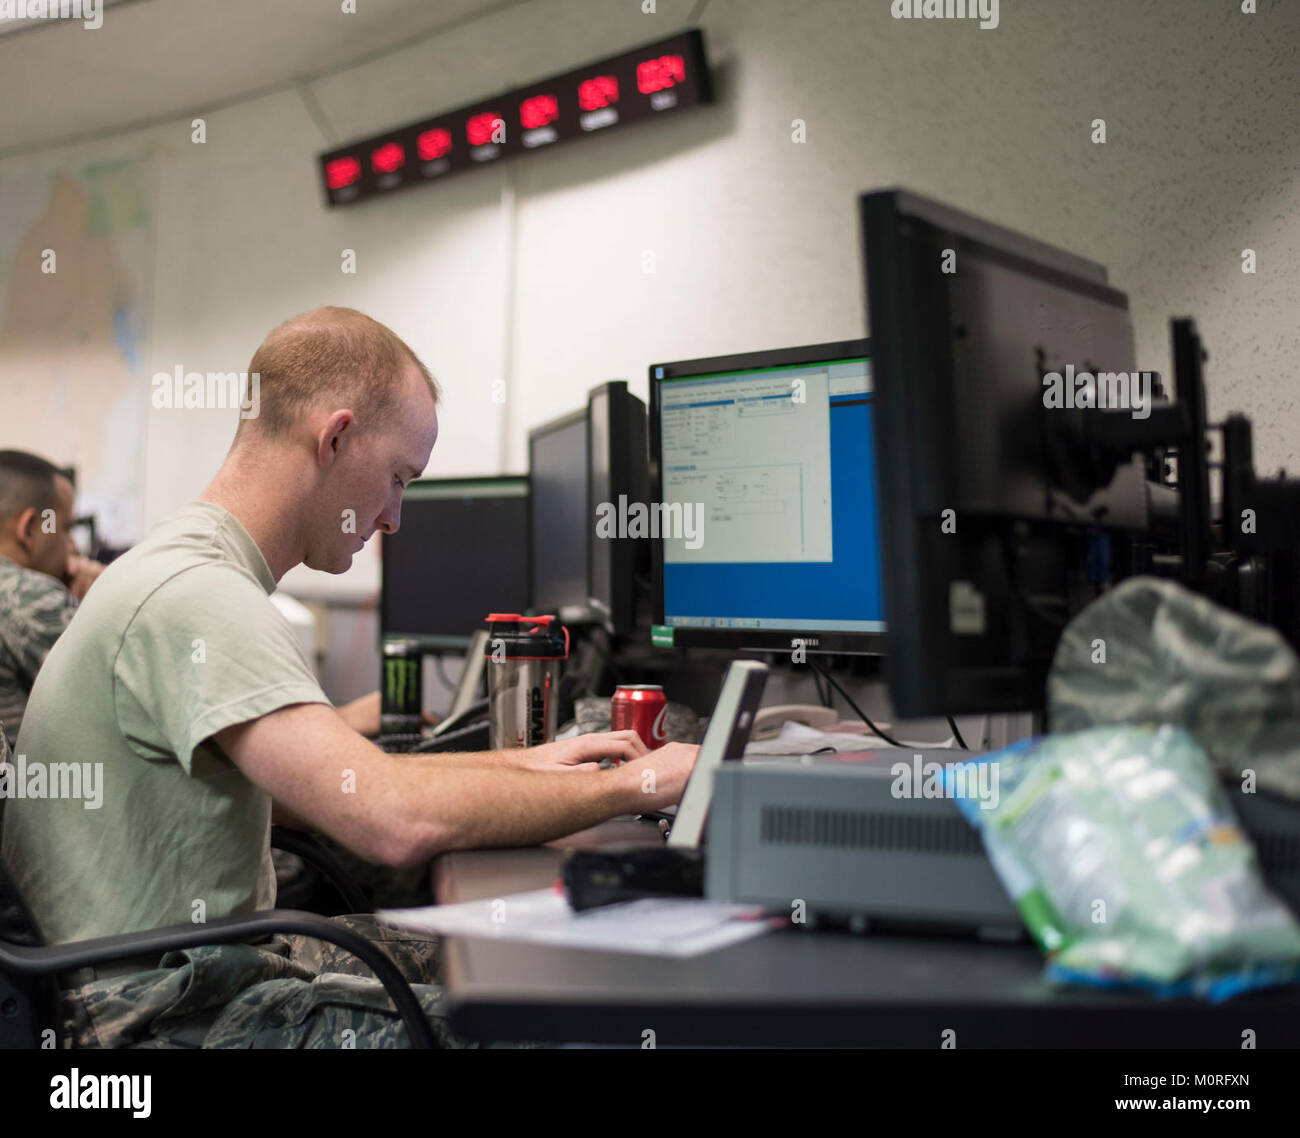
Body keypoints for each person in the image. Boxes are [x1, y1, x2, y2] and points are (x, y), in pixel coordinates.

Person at [0, 306, 697, 1048]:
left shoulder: (184, 566)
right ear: (334, 438)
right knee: (577, 1023)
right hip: (164, 1016)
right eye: (398, 478)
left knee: (503, 950)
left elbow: (320, 790)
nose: (394, 517)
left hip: (191, 971)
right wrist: (634, 785)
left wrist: (526, 765)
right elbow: (391, 820)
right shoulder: (199, 595)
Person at [0, 450, 104, 748]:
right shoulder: (31, 596)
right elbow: (122, 710)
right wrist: (102, 599)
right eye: (66, 528)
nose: (73, 546)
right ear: (29, 528)